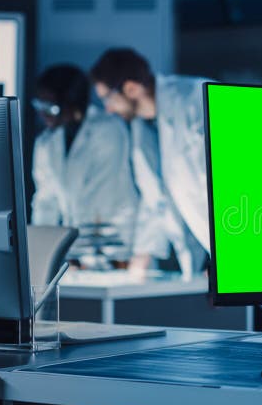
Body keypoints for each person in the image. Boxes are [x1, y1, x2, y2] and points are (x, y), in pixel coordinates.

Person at [90, 48, 211, 279]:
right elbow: (154, 198)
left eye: (107, 98)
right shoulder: (142, 125)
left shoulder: (196, 99)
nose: (108, 108)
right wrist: (142, 254)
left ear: (131, 89)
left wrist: (222, 264)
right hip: (200, 247)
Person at [31, 64, 138, 257]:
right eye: (40, 105)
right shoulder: (46, 142)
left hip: (114, 243)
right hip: (77, 246)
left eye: (51, 107)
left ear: (71, 103)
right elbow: (45, 200)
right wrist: (40, 251)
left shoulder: (108, 131)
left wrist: (72, 252)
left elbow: (98, 198)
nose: (43, 114)